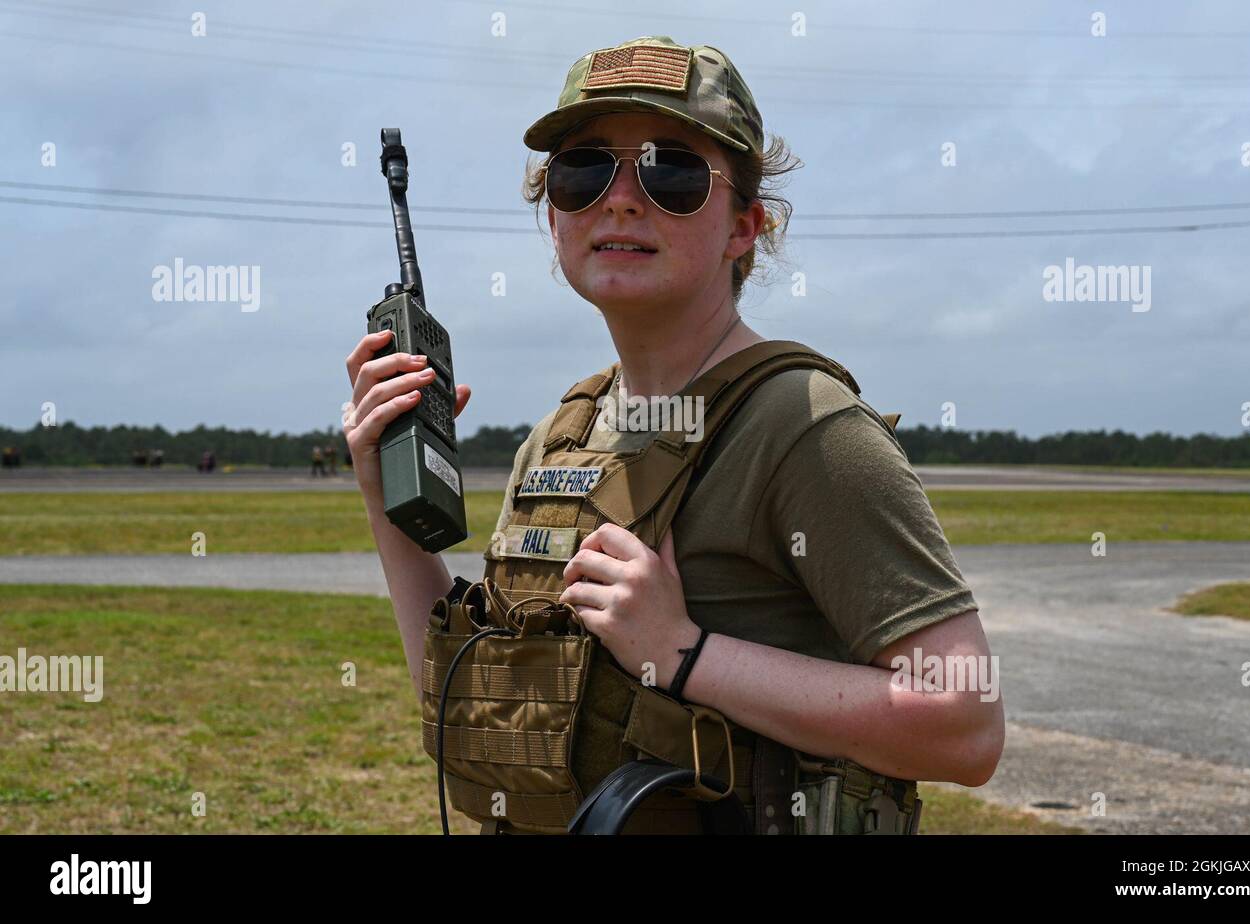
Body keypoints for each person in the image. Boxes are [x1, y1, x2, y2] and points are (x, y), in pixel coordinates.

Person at [344, 35, 1002, 835]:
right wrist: (387, 497)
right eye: (583, 171)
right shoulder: (559, 437)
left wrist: (683, 653)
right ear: (554, 214)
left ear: (744, 227)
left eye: (672, 172)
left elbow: (965, 723)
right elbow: (464, 701)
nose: (621, 199)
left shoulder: (806, 428)